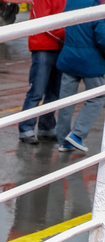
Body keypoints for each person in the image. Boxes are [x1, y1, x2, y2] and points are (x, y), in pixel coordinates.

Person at [55, 0, 105, 152]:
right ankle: (77, 134)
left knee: (66, 100)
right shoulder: (97, 7)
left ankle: (63, 140)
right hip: (91, 61)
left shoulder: (70, 3)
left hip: (68, 57)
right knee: (97, 97)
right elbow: (102, 38)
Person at [18, 0, 65, 145]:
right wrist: (66, 36)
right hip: (45, 47)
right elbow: (45, 23)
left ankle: (46, 127)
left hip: (55, 46)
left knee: (53, 93)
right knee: (37, 92)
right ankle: (27, 129)